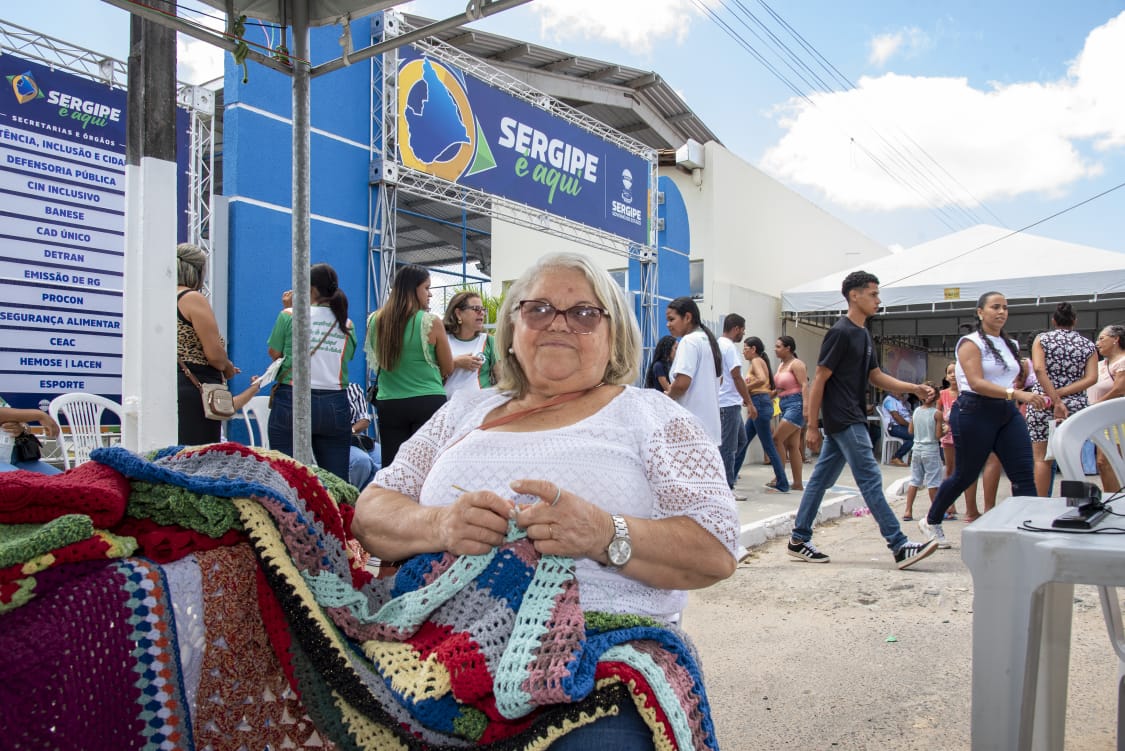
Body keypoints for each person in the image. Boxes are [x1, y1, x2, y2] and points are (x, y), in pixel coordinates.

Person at [351, 252, 738, 748]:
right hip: (434, 644)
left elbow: (715, 549)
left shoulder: (652, 417)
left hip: (601, 653)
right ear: (511, 330)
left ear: (613, 333)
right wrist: (441, 526)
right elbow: (372, 511)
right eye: (538, 310)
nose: (559, 324)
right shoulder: (464, 412)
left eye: (583, 313)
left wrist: (604, 533)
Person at [788, 271, 939, 570]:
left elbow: (876, 376)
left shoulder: (863, 334)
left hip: (847, 417)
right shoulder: (841, 332)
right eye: (873, 294)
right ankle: (899, 546)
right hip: (844, 418)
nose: (878, 300)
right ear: (854, 295)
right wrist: (812, 425)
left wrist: (914, 387)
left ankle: (798, 539)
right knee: (871, 479)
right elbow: (819, 379)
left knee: (819, 480)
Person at [920, 291, 1047, 547]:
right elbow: (977, 383)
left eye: (1005, 308)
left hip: (1006, 412)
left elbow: (1010, 379)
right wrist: (1016, 393)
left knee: (1023, 473)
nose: (1001, 312)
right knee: (965, 474)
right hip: (973, 411)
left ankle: (1029, 530)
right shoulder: (969, 342)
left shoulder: (1009, 344)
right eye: (995, 307)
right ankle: (932, 519)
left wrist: (1021, 394)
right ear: (980, 312)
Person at [266, 262, 357, 480]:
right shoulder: (347, 323)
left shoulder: (289, 315)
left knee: (286, 475)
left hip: (291, 397)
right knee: (337, 479)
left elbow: (274, 352)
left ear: (312, 289)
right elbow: (348, 357)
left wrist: (291, 307)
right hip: (335, 402)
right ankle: (337, 513)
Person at [365, 265, 453, 466]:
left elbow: (375, 362)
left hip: (390, 402)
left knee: (394, 465)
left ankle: (391, 498)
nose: (429, 294)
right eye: (426, 288)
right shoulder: (430, 322)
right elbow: (447, 367)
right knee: (427, 465)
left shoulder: (375, 320)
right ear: (413, 289)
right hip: (427, 401)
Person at [1027, 302, 1098, 496]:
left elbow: (1040, 369)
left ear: (1053, 321)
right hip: (1075, 406)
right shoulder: (1088, 345)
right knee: (1072, 457)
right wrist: (1063, 394)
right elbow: (1092, 378)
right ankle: (1075, 504)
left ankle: (1040, 505)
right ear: (1074, 321)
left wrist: (1055, 399)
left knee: (1041, 459)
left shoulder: (1042, 339)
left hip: (1043, 402)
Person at [176, 243, 238, 445]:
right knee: (200, 461)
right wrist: (227, 367)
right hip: (196, 391)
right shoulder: (191, 298)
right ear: (200, 271)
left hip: (169, 385)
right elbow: (215, 356)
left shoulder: (159, 297)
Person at [664, 297, 723, 445]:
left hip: (691, 428)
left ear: (687, 317)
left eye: (672, 319)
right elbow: (719, 380)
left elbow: (682, 383)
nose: (668, 324)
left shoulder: (688, 341)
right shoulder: (710, 341)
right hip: (711, 427)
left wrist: (669, 395)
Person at [734, 336, 790, 492]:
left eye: (745, 348)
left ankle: (782, 482)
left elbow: (762, 379)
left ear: (753, 349)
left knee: (769, 446)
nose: (743, 352)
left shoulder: (756, 361)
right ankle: (730, 477)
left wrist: (746, 389)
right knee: (743, 442)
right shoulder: (759, 361)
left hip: (759, 403)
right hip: (759, 402)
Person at [716, 314, 755, 498]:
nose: (743, 334)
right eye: (743, 329)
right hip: (728, 403)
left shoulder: (717, 344)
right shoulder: (729, 347)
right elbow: (737, 376)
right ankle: (726, 487)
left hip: (727, 403)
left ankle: (724, 478)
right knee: (729, 447)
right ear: (737, 328)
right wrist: (749, 402)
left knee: (740, 441)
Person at [902, 383, 944, 533]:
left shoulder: (916, 411)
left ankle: (908, 511)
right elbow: (938, 436)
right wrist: (946, 429)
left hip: (916, 449)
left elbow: (910, 430)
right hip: (931, 449)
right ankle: (935, 512)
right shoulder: (937, 414)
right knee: (933, 482)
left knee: (915, 480)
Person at [938, 361, 976, 521]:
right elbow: (938, 415)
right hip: (948, 439)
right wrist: (941, 427)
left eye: (956, 371)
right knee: (950, 471)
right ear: (946, 376)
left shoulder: (968, 393)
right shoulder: (942, 395)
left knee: (968, 471)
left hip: (967, 436)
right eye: (950, 372)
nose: (953, 375)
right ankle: (949, 505)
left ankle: (970, 509)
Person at [442, 290, 498, 399]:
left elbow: (502, 378)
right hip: (446, 407)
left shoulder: (489, 341)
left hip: (479, 408)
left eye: (483, 309)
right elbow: (429, 374)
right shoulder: (443, 339)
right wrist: (455, 363)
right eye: (476, 309)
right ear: (458, 313)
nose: (481, 313)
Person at [1089, 324, 1125, 492]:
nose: (1098, 343)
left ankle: (1115, 502)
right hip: (1101, 420)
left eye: (1102, 338)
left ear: (1116, 339)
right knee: (1104, 462)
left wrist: (1095, 405)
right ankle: (1113, 498)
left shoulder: (1122, 361)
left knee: (1107, 461)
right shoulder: (1101, 364)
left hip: (1116, 420)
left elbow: (1119, 389)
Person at [771, 336, 807, 491]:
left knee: (776, 439)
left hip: (796, 404)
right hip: (784, 404)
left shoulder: (796, 364)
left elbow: (805, 385)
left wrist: (806, 408)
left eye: (778, 346)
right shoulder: (781, 365)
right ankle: (797, 483)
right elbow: (778, 389)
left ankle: (780, 477)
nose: (775, 349)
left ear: (788, 348)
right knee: (792, 445)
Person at [0, 397, 62, 474]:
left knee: (61, 479)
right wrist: (40, 415)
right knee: (19, 482)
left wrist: (22, 428)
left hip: (18, 458)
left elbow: (26, 427)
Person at [346, 382, 382, 489]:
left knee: (386, 458)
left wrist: (351, 431)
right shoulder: (319, 389)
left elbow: (365, 421)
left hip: (356, 436)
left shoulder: (354, 388)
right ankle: (354, 495)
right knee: (362, 461)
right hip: (335, 440)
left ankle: (372, 496)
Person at [880, 390, 914, 467]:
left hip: (901, 426)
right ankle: (896, 457)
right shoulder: (889, 400)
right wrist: (910, 425)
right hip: (894, 427)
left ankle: (909, 457)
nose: (902, 393)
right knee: (914, 436)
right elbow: (897, 418)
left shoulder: (898, 400)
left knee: (916, 435)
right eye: (900, 391)